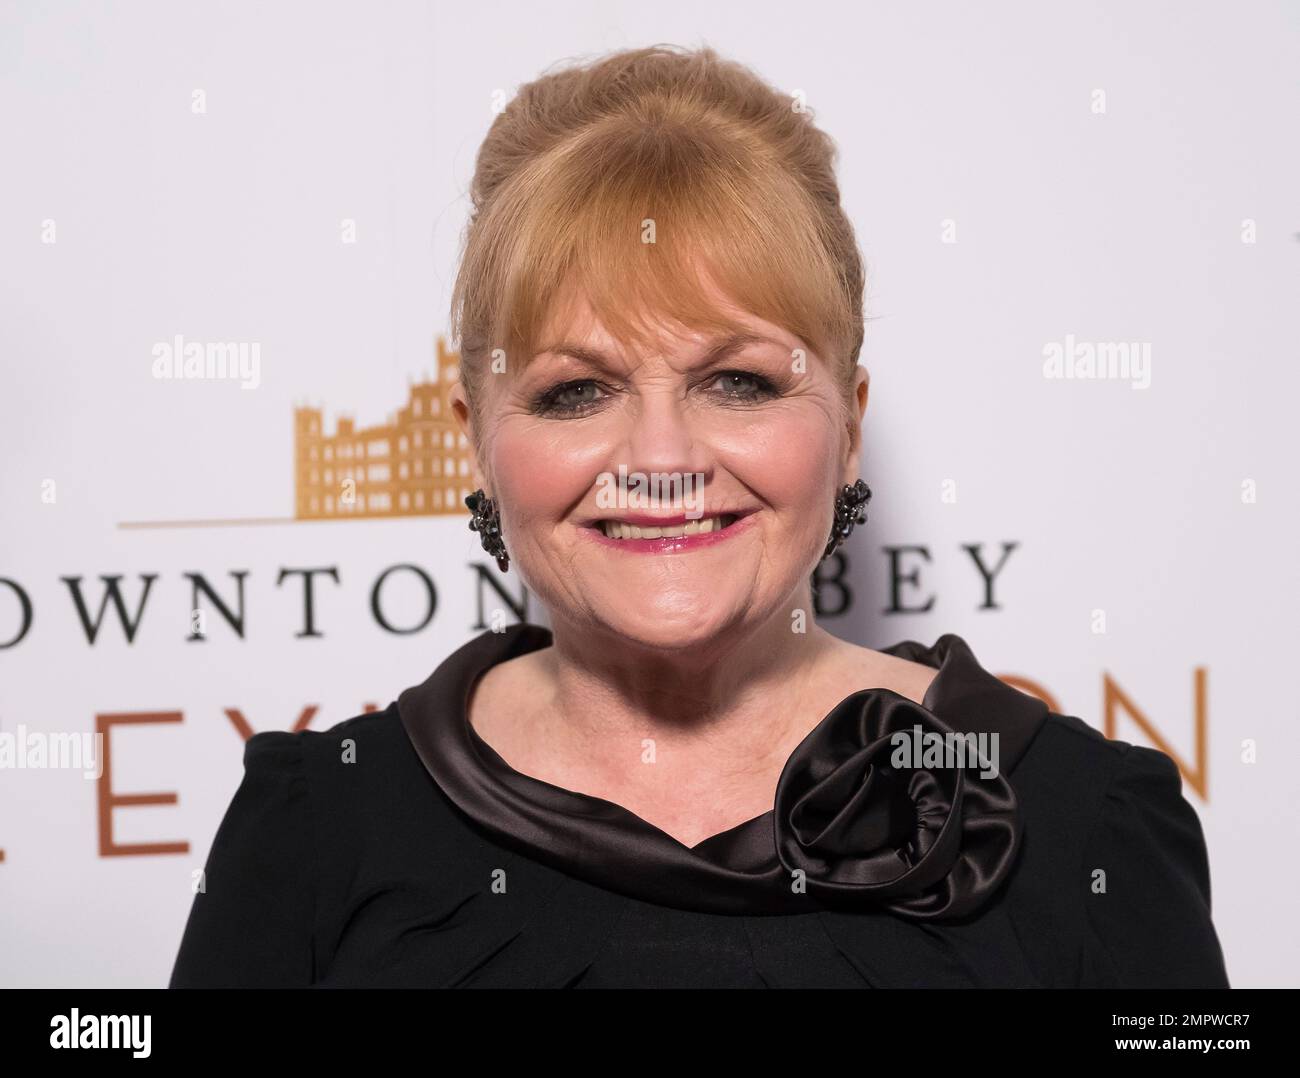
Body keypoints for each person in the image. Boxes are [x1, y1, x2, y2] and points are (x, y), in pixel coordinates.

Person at [169, 43, 1229, 989]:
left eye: (740, 382)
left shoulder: (1092, 819)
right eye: (575, 392)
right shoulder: (314, 830)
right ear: (475, 440)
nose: (662, 460)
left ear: (848, 424)